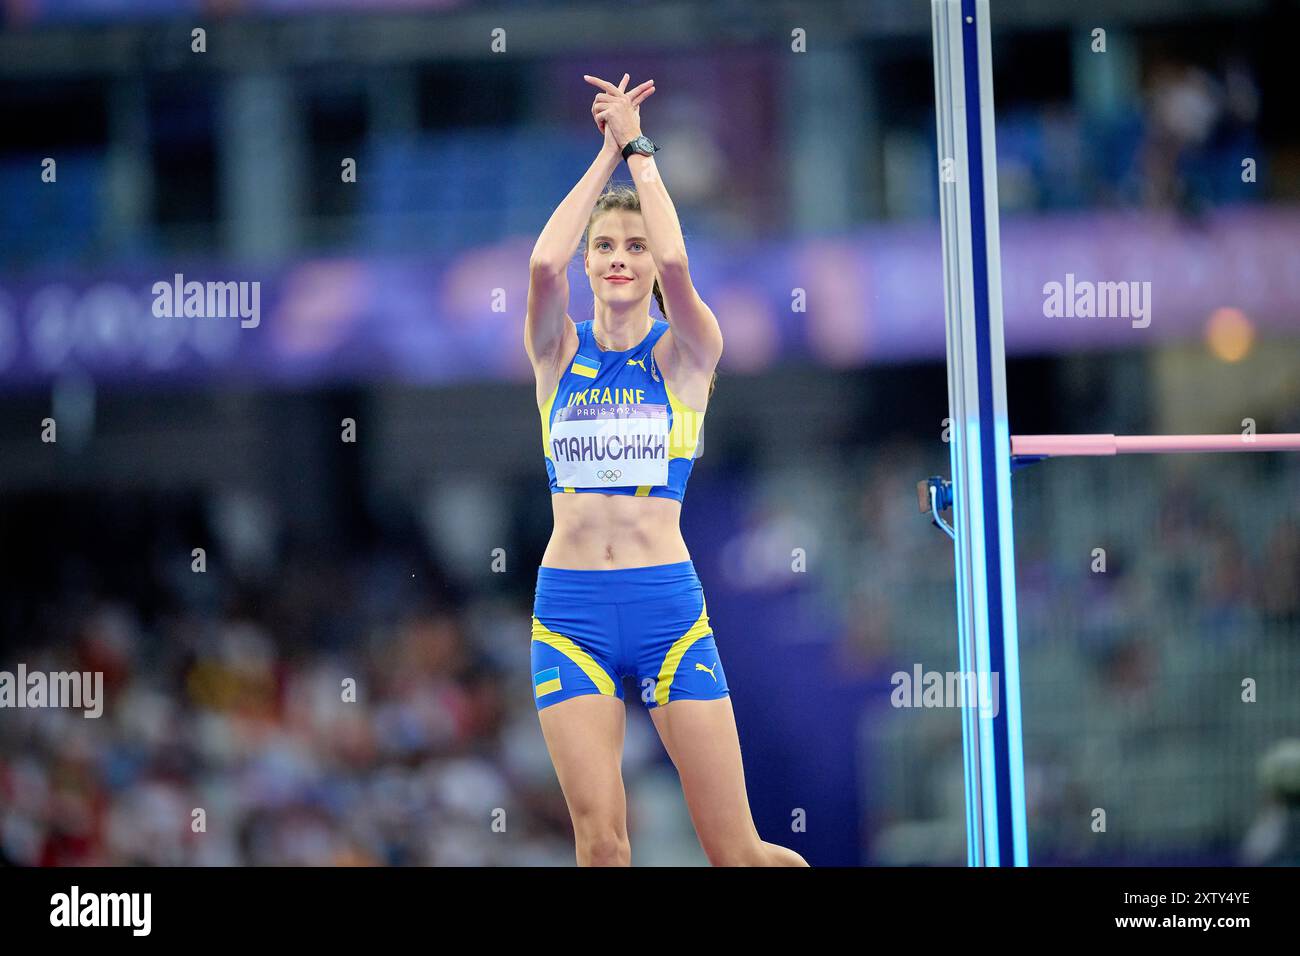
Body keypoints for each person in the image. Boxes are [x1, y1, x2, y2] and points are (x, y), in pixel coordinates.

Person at [523, 72, 807, 867]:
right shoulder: (558, 352)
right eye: (606, 248)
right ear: (591, 263)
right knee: (603, 848)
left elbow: (682, 264)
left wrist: (639, 153)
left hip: (666, 610)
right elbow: (542, 268)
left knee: (738, 854)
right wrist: (602, 157)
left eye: (633, 247)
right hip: (571, 612)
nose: (620, 259)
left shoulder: (687, 354)